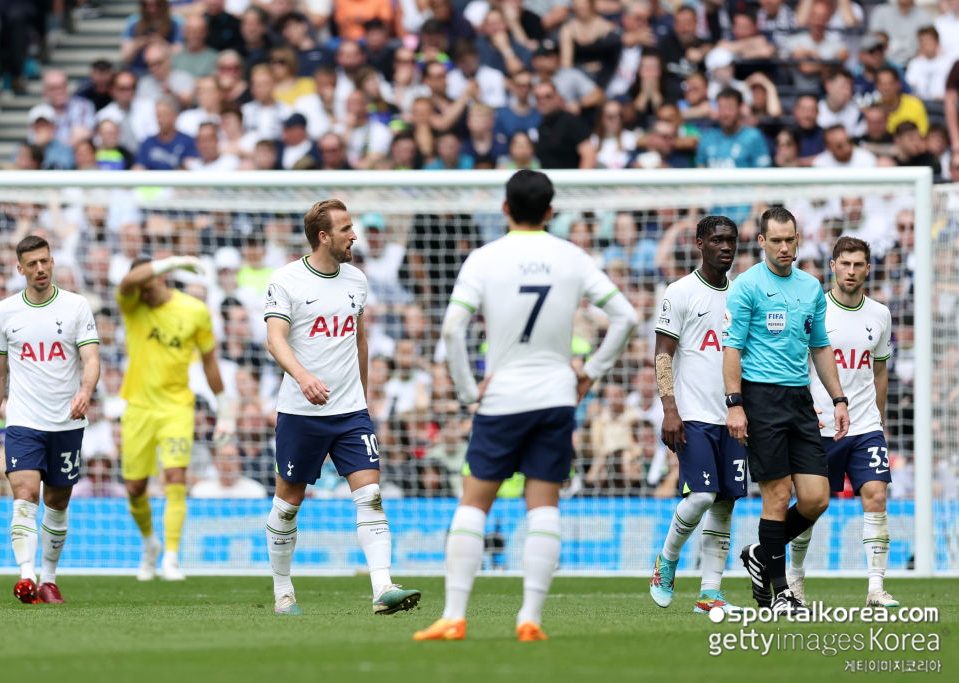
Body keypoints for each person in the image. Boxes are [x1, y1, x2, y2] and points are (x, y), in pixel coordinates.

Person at [414, 170, 638, 642]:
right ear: (551, 212)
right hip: (557, 395)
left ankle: (454, 615)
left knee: (475, 502)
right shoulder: (571, 257)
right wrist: (591, 371)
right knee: (544, 506)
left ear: (505, 209)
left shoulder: (485, 258)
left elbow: (453, 329)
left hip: (502, 397)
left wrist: (467, 393)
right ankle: (529, 617)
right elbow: (626, 316)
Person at [262, 199, 421, 616]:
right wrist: (303, 377)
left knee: (370, 495)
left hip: (350, 412)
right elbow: (275, 339)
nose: (355, 235)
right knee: (288, 503)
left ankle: (383, 588)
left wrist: (363, 398)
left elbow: (360, 340)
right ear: (323, 236)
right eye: (347, 228)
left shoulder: (356, 280)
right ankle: (283, 591)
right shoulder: (287, 280)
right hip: (301, 410)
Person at [723, 206, 850, 615]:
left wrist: (839, 398)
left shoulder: (811, 287)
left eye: (789, 240)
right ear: (761, 242)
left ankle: (762, 552)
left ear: (798, 239)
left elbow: (820, 347)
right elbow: (733, 349)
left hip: (799, 400)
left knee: (816, 498)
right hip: (760, 400)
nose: (783, 247)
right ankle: (782, 595)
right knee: (777, 497)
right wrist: (735, 404)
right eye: (775, 240)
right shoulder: (746, 286)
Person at [0, 235, 101, 604]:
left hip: (66, 422)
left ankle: (49, 578)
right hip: (23, 421)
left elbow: (92, 359)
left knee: (58, 502)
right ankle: (27, 576)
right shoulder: (4, 312)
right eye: (32, 264)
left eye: (45, 262)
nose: (40, 269)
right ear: (20, 269)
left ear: (52, 263)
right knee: (25, 494)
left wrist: (85, 392)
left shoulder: (76, 306)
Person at [788, 237, 898, 608]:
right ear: (833, 266)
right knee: (810, 505)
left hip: (865, 425)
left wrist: (878, 417)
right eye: (845, 264)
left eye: (858, 265)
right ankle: (795, 580)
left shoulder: (880, 315)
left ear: (868, 268)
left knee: (877, 495)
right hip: (819, 425)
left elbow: (879, 369)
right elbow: (795, 365)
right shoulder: (813, 311)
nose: (851, 271)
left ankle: (876, 588)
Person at [649, 215, 746, 614]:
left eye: (732, 241)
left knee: (724, 504)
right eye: (718, 240)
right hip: (691, 414)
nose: (726, 247)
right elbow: (662, 355)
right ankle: (666, 561)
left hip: (733, 417)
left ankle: (710, 592)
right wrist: (669, 409)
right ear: (699, 243)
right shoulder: (681, 291)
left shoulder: (742, 296)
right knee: (702, 495)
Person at [118, 253, 234, 581]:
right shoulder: (132, 304)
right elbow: (127, 283)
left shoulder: (194, 311)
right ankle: (149, 544)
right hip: (138, 408)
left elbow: (210, 361)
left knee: (174, 480)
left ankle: (171, 557)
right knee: (135, 487)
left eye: (147, 285)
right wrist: (175, 260)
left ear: (160, 280)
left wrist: (224, 408)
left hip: (177, 408)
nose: (142, 292)